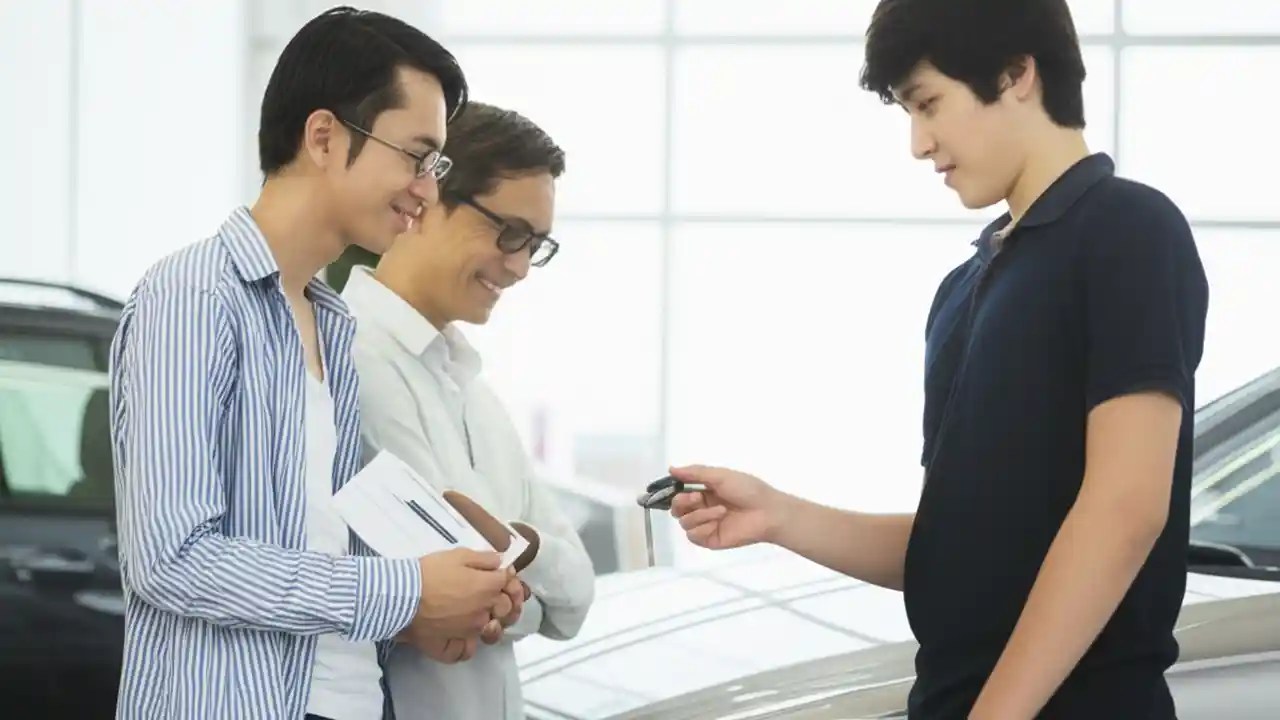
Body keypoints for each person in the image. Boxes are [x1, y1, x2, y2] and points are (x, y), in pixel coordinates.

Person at [670, 1, 1209, 718]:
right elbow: (953, 548)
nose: (919, 144)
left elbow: (1125, 509)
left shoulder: (1128, 230)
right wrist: (778, 516)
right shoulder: (966, 285)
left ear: (1018, 74)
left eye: (929, 105)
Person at [107, 7, 516, 720]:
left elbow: (318, 553)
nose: (427, 188)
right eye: (417, 157)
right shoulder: (193, 298)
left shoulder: (332, 322)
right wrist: (408, 591)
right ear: (324, 137)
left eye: (437, 166)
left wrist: (432, 602)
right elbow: (172, 560)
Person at [341, 100, 595, 720]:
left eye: (536, 245)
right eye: (509, 233)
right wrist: (520, 577)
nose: (519, 267)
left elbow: (579, 599)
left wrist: (521, 547)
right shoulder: (356, 360)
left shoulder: (472, 389)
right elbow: (456, 598)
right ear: (425, 200)